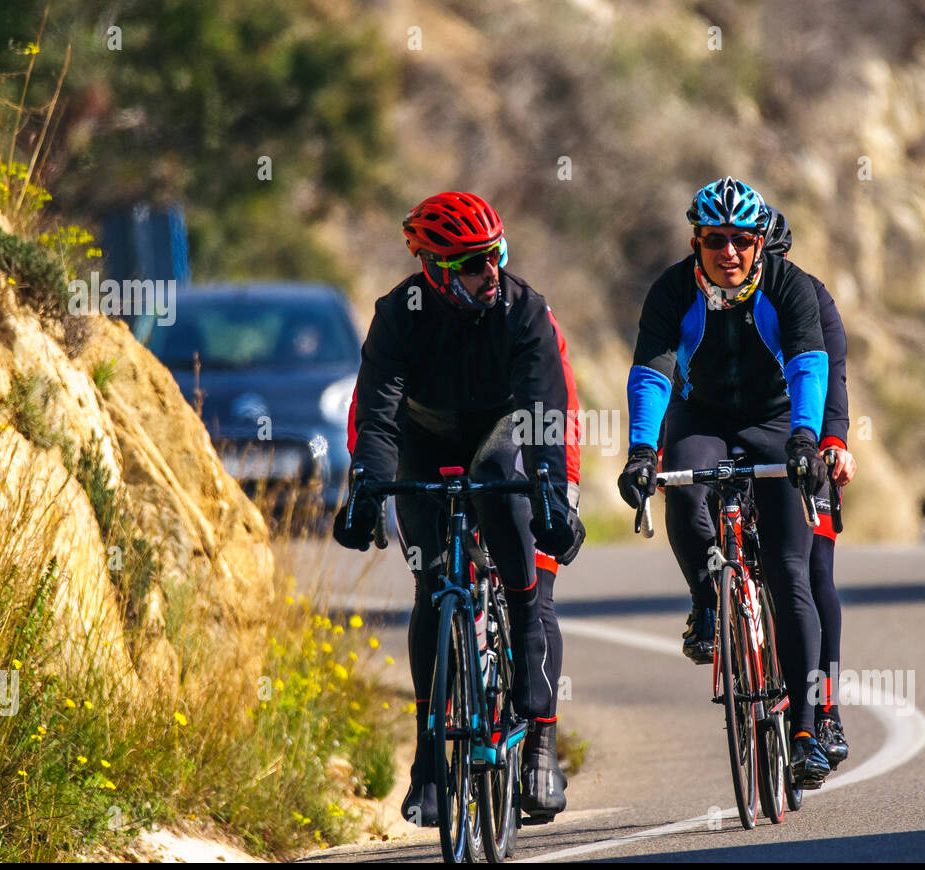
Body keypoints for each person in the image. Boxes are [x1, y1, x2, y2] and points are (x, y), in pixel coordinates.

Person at [334, 191, 584, 823]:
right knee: (431, 583)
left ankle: (540, 746)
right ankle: (427, 759)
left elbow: (545, 412)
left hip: (505, 423)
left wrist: (553, 492)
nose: (490, 270)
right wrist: (366, 490)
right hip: (423, 433)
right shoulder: (400, 314)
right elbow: (378, 416)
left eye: (495, 254)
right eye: (474, 262)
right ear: (437, 271)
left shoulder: (523, 310)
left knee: (503, 486)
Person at [617, 176, 832, 785]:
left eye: (741, 240)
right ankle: (707, 601)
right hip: (701, 415)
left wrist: (805, 440)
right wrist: (640, 450)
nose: (729, 253)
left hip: (774, 419)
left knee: (792, 574)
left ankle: (807, 730)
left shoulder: (790, 287)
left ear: (761, 241)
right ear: (696, 241)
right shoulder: (670, 290)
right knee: (685, 496)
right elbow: (653, 374)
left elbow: (809, 365)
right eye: (715, 241)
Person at [763, 210, 856, 770]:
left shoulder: (808, 298)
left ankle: (825, 709)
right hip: (742, 437)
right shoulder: (709, 302)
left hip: (802, 440)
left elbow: (834, 374)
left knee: (815, 569)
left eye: (772, 257)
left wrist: (834, 440)